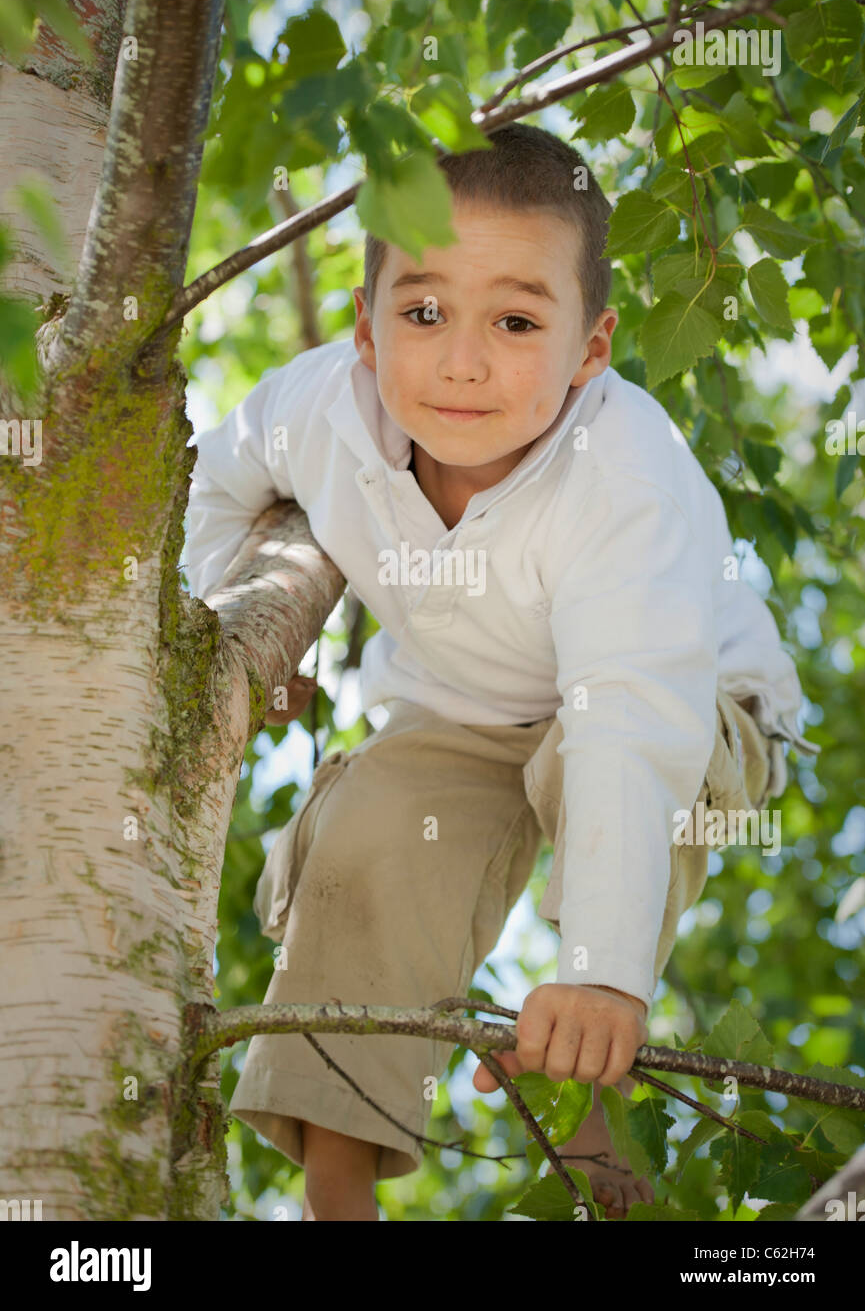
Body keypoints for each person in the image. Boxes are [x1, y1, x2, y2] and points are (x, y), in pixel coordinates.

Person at [184, 122, 816, 1221]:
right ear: (365, 333)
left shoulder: (625, 479)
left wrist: (600, 968)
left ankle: (588, 1113)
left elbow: (629, 715)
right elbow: (218, 477)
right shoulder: (318, 407)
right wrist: (221, 634)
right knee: (367, 837)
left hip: (680, 705)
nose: (462, 360)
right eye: (422, 312)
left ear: (591, 348)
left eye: (516, 320)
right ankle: (336, 1190)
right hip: (462, 710)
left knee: (597, 761)